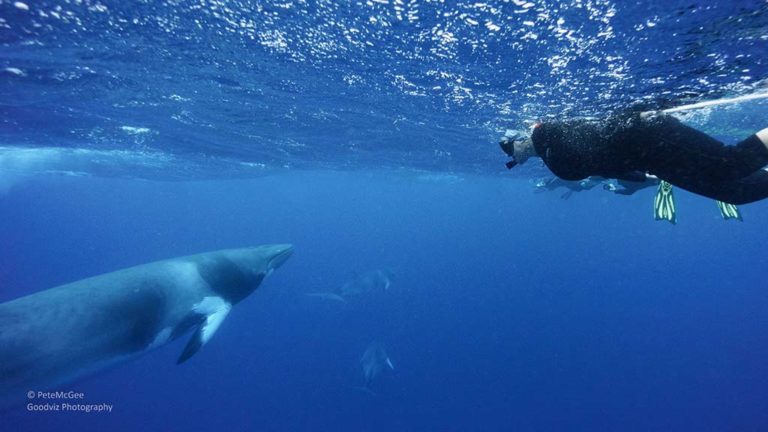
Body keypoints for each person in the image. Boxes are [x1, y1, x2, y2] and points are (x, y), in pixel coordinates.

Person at [500, 111, 768, 206]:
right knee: (736, 193)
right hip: (650, 159)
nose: (512, 154)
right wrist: (642, 179)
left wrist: (531, 131)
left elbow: (552, 128)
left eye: (509, 146)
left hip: (647, 135)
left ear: (521, 136)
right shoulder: (553, 159)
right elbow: (605, 168)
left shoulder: (545, 134)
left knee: (730, 165)